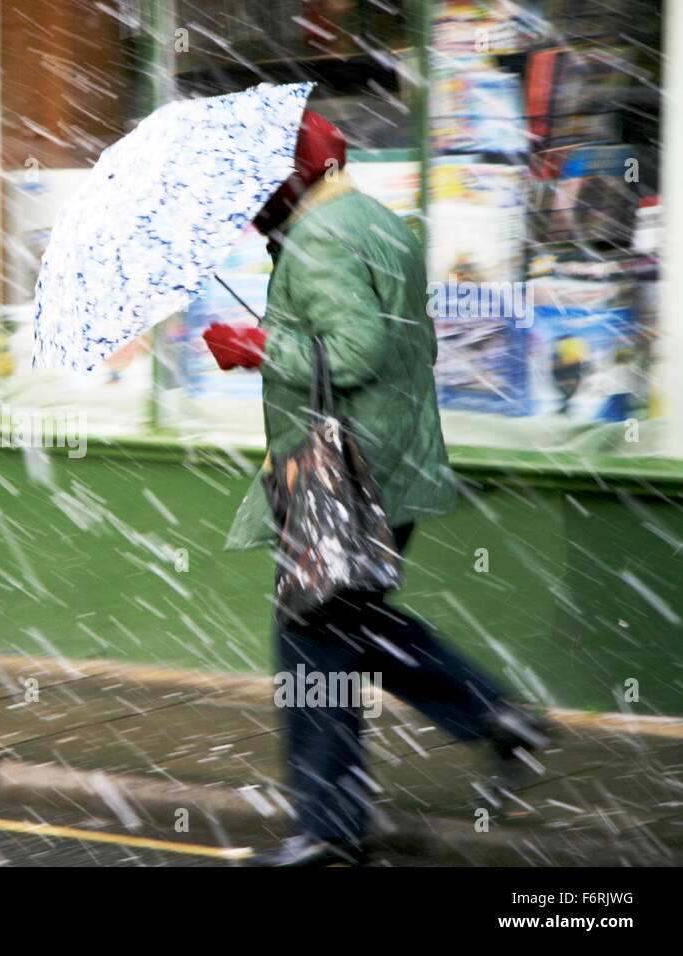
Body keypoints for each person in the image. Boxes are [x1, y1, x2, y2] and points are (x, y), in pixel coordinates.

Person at [203, 109, 554, 867]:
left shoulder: (320, 237)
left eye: (255, 187)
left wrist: (257, 345)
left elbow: (355, 350)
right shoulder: (379, 221)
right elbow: (411, 339)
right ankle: (494, 716)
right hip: (391, 462)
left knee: (310, 637)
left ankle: (332, 828)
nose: (250, 202)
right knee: (346, 621)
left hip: (341, 475)